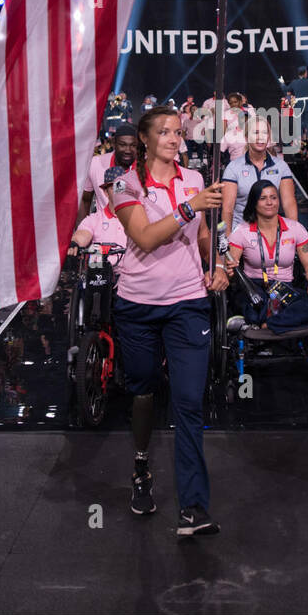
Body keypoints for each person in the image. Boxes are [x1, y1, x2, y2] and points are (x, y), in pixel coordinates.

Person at [112, 106, 227, 536]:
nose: (175, 139)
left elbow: (202, 232)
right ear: (144, 138)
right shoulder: (123, 183)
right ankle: (141, 463)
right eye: (164, 132)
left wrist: (218, 260)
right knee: (142, 392)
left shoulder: (194, 179)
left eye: (178, 132)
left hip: (186, 303)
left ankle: (194, 508)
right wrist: (187, 207)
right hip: (137, 305)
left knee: (189, 403)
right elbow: (143, 236)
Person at [226, 179, 308, 332]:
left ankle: (268, 324)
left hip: (283, 288)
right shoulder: (241, 231)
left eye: (273, 197)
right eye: (263, 198)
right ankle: (282, 320)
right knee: (250, 305)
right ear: (254, 202)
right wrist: (230, 271)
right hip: (254, 288)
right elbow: (232, 267)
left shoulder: (296, 229)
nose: (269, 203)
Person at [221, 116, 298, 232]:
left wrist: (294, 234)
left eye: (264, 133)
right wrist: (226, 241)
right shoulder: (233, 168)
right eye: (255, 132)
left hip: (271, 234)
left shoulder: (281, 167)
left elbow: (289, 204)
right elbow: (227, 209)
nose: (260, 137)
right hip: (241, 234)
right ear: (246, 137)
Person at [79, 124, 139, 220]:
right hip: (105, 230)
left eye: (133, 145)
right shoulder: (95, 164)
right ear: (113, 144)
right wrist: (82, 228)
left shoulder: (146, 167)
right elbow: (85, 200)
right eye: (122, 145)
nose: (128, 150)